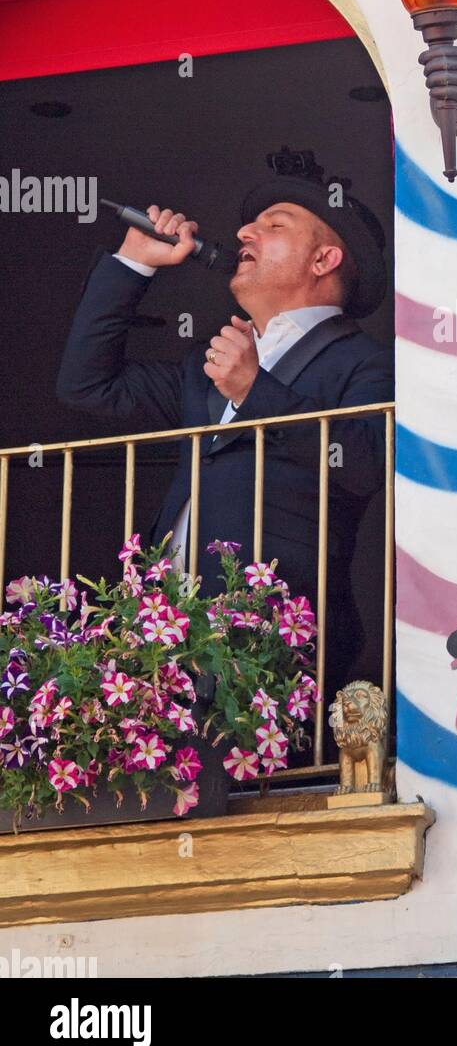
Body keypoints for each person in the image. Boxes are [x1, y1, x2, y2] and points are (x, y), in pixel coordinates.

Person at [56, 152, 393, 702]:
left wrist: (254, 393)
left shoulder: (365, 362)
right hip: (164, 644)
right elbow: (87, 386)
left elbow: (363, 464)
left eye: (274, 225)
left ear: (324, 259)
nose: (245, 232)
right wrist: (134, 261)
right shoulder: (207, 366)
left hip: (274, 644)